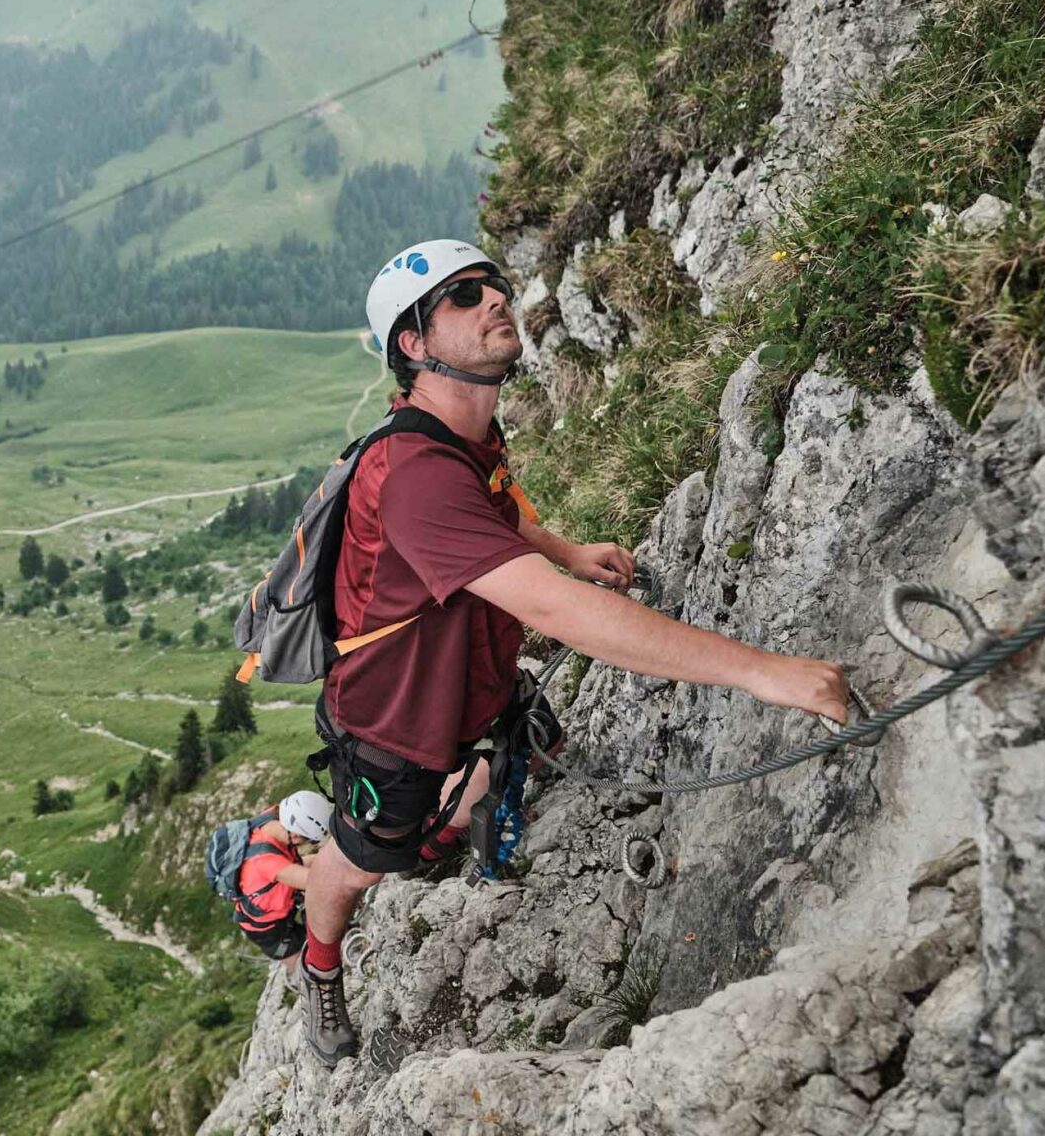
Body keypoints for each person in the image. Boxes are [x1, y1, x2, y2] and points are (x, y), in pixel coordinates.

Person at [295, 239, 852, 1066]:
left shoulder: (462, 432)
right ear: (412, 346)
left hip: (470, 684)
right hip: (395, 725)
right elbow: (564, 616)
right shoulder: (411, 473)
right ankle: (319, 967)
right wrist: (767, 673)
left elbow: (495, 506)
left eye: (494, 285)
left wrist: (565, 548)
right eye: (462, 297)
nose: (494, 300)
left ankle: (475, 801)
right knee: (364, 855)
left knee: (520, 737)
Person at [232, 791, 333, 981]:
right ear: (295, 835)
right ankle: (305, 990)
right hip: (267, 929)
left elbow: (299, 865)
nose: (307, 844)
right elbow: (317, 882)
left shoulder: (274, 816)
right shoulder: (267, 862)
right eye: (308, 840)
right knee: (307, 970)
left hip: (280, 897)